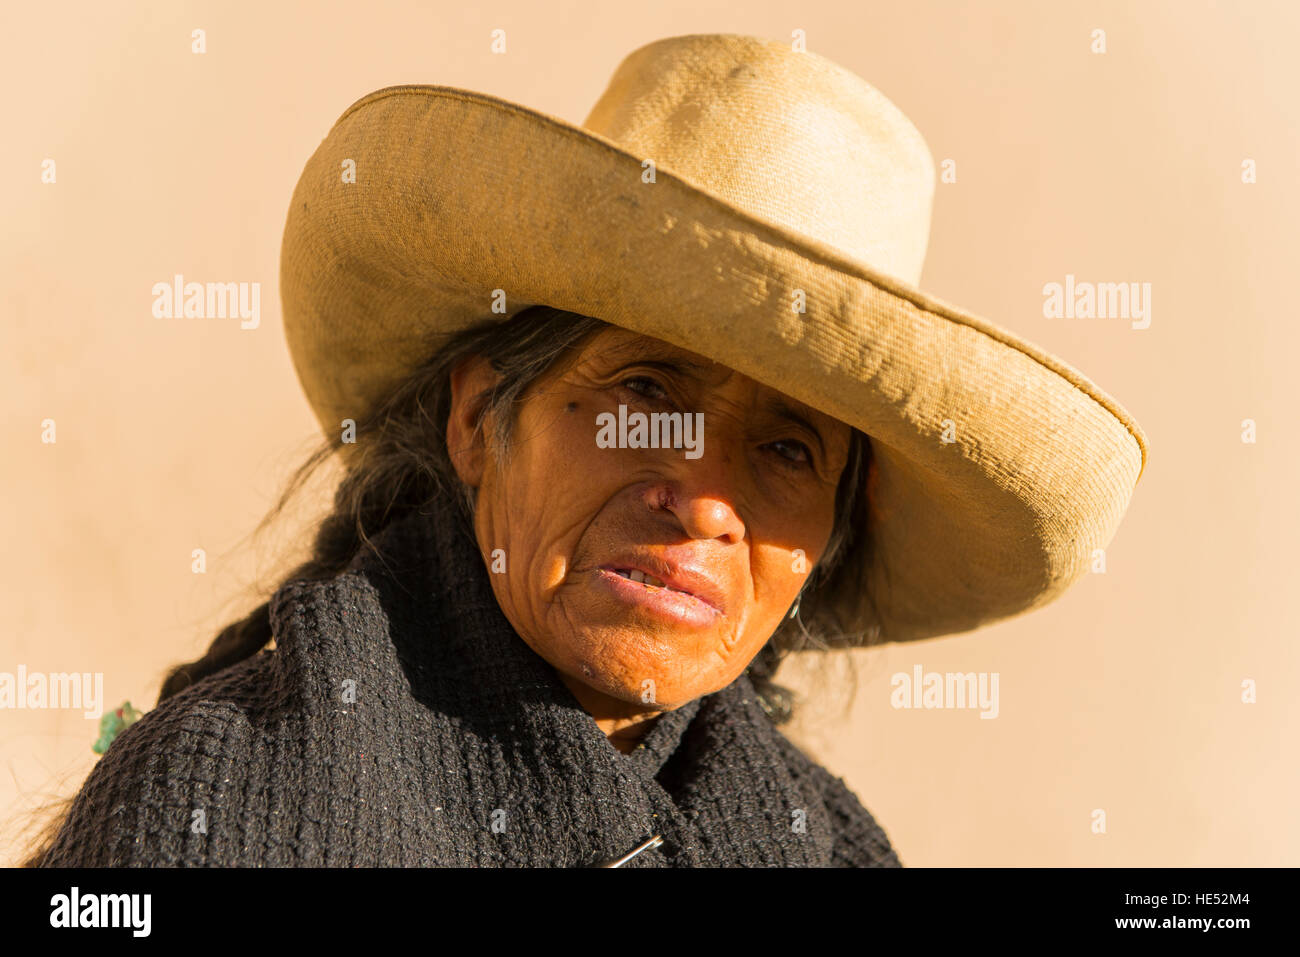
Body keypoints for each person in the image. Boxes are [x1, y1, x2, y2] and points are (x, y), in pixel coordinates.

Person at [25, 32, 1146, 867]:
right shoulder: (224, 807)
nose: (704, 502)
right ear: (477, 420)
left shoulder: (830, 848)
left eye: (790, 451)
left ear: (825, 546)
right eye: (645, 389)